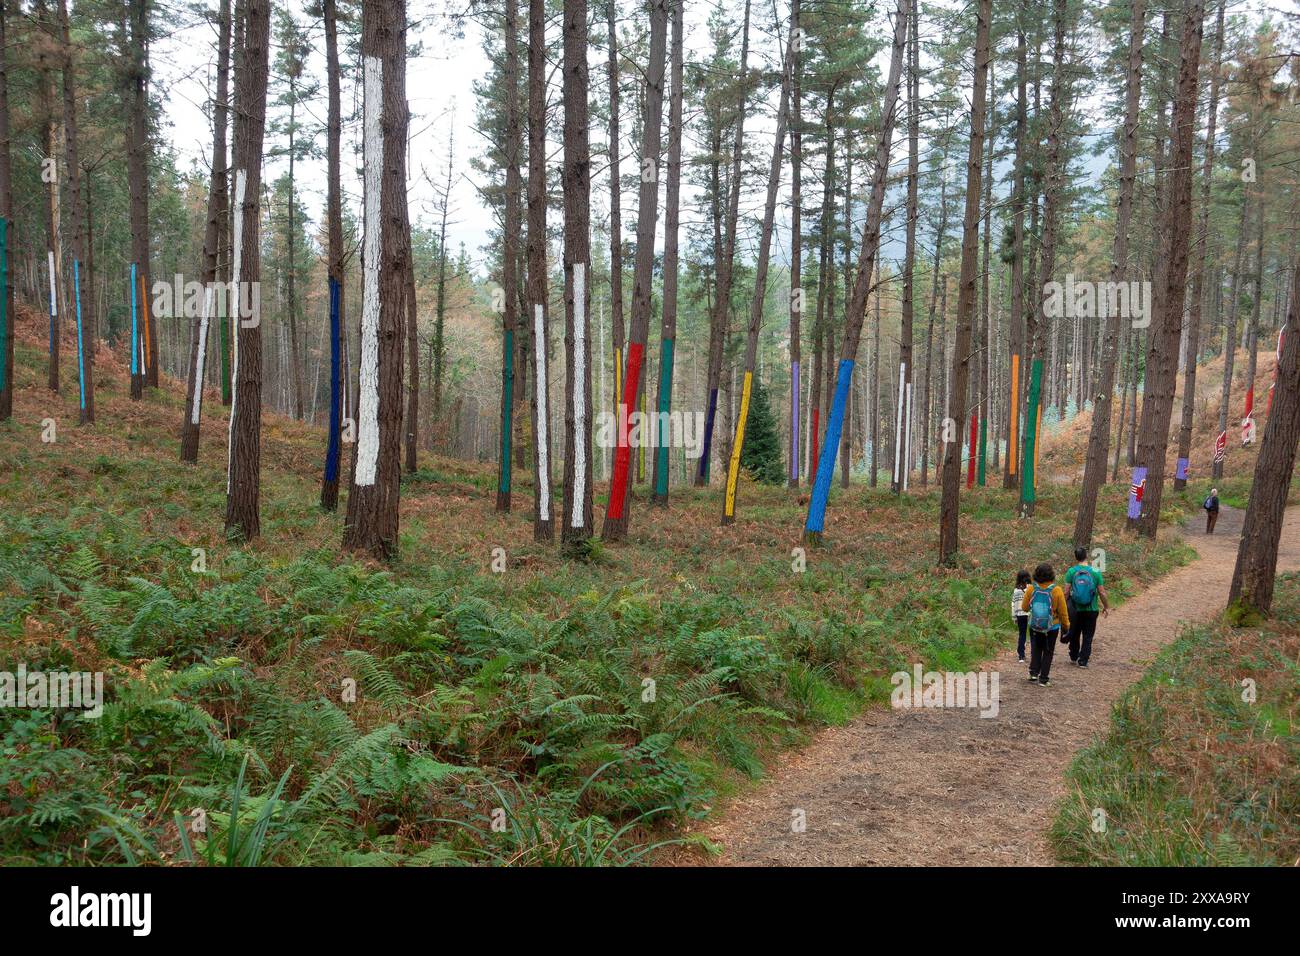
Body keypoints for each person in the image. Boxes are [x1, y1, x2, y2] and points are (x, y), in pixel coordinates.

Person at [1021, 563, 1070, 687]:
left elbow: (1024, 608)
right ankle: (1043, 679)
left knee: (1036, 649)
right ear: (1051, 575)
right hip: (1051, 627)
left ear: (1036, 574)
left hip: (1035, 625)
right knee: (1048, 651)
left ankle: (1033, 673)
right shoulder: (1056, 590)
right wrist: (1066, 626)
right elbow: (1063, 612)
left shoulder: (1031, 589)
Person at [1064, 547, 1109, 668]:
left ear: (1076, 557)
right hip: (1091, 609)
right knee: (1088, 635)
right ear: (1086, 556)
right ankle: (1083, 660)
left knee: (1075, 632)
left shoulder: (1071, 571)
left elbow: (1066, 592)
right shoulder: (1095, 571)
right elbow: (1102, 592)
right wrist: (1106, 606)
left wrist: (1063, 606)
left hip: (1075, 610)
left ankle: (1073, 655)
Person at [1012, 570, 1031, 663]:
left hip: (1020, 614)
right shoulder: (1031, 588)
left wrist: (1014, 617)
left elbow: (1013, 604)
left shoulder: (1016, 590)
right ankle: (1035, 654)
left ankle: (1021, 655)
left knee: (1022, 634)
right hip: (1030, 614)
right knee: (1033, 634)